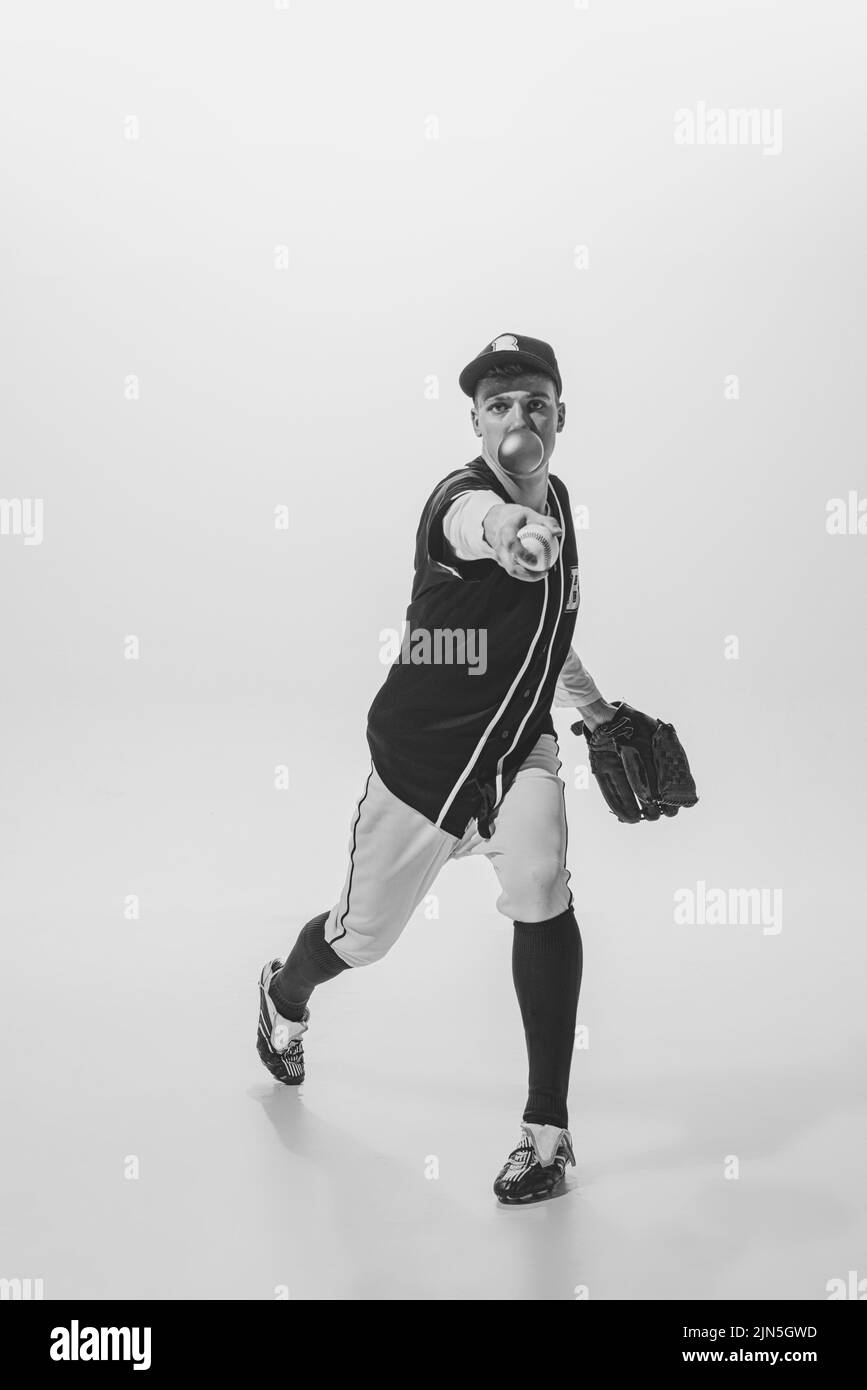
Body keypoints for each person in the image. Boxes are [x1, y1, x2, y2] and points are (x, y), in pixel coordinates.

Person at [257, 332, 696, 1204]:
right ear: (475, 420)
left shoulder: (560, 504)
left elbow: (545, 635)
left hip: (519, 755)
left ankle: (546, 1132)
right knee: (362, 939)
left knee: (542, 888)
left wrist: (598, 711)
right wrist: (505, 529)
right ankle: (282, 995)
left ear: (559, 416)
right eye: (498, 404)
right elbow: (476, 525)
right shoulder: (460, 502)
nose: (517, 418)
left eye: (534, 401)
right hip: (425, 771)